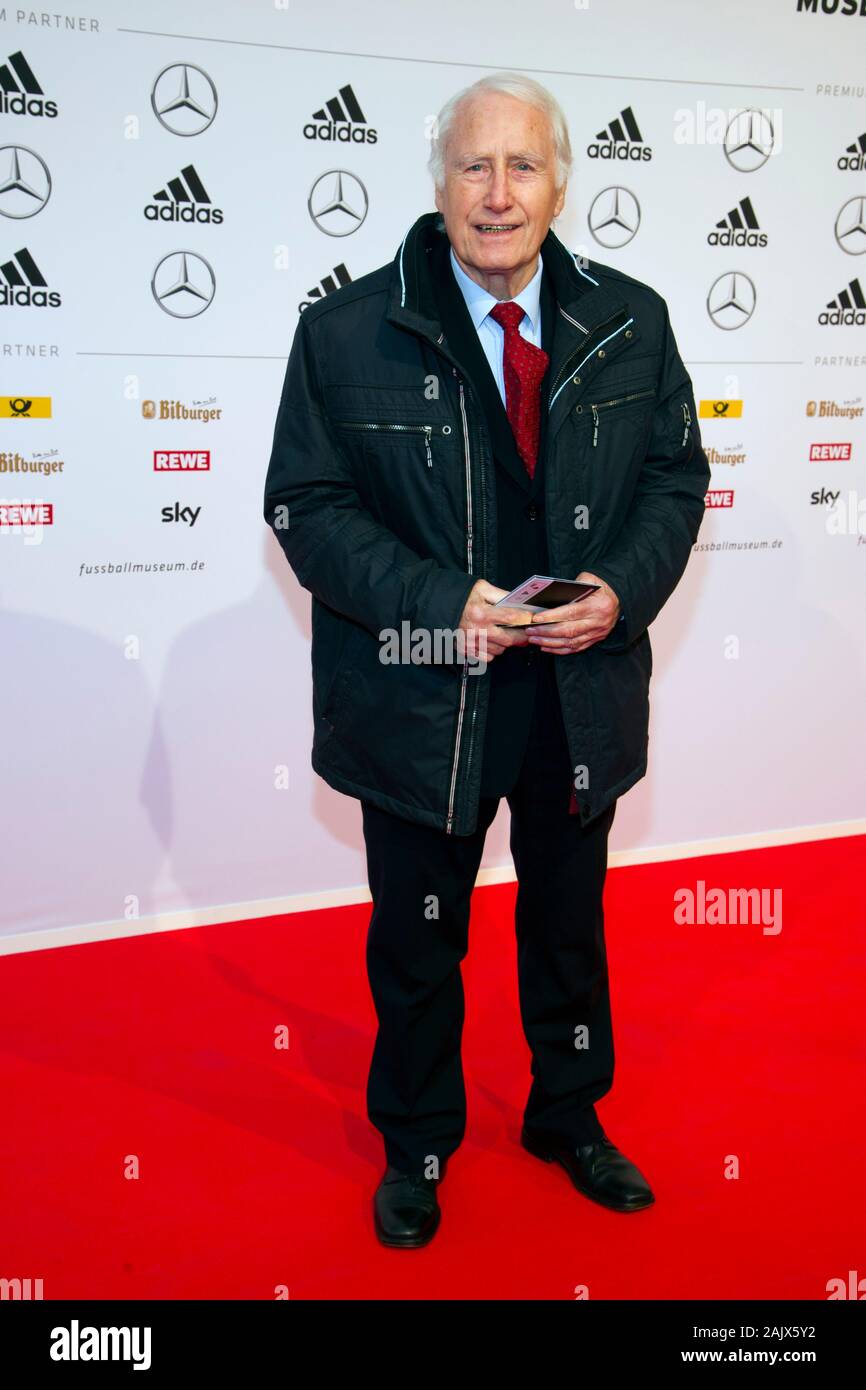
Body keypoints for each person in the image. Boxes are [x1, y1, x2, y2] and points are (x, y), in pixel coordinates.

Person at [264, 71, 710, 1248]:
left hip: (576, 683)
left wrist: (620, 590)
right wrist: (431, 600)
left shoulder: (631, 319)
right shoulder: (345, 331)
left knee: (568, 925)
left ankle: (567, 1112)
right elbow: (304, 505)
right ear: (440, 182)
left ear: (559, 182)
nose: (497, 194)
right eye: (474, 166)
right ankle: (415, 1140)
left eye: (521, 167)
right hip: (420, 688)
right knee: (419, 933)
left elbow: (674, 477)